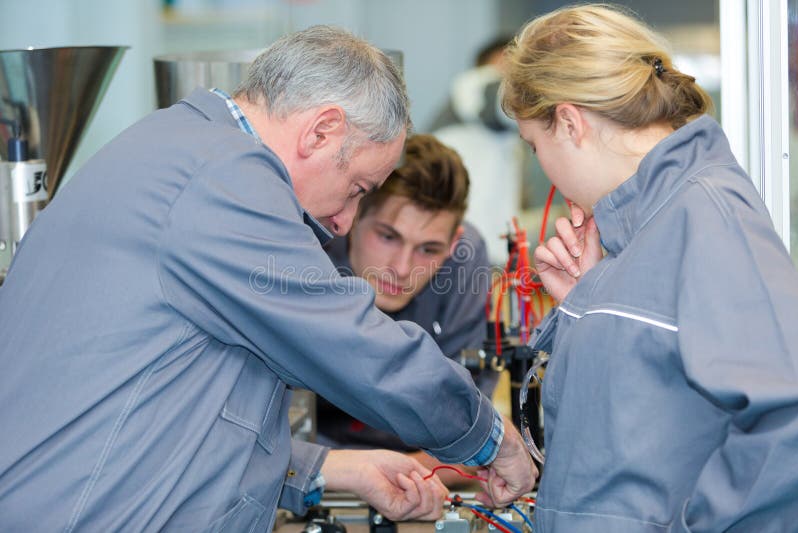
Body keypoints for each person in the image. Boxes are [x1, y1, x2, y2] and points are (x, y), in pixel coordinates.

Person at [0, 26, 536, 531]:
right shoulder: (226, 179)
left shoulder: (178, 144)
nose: (344, 222)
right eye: (356, 188)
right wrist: (489, 438)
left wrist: (324, 468)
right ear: (321, 131)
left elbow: (180, 410)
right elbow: (354, 346)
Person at [501, 4, 798, 532]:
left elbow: (788, 420)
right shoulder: (647, 231)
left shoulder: (708, 214)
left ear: (568, 122)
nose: (542, 167)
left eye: (534, 145)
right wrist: (591, 301)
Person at [316, 133, 497, 487]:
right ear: (352, 216)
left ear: (453, 243)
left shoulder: (465, 262)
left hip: (420, 469)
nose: (401, 268)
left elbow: (470, 435)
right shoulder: (311, 246)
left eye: (428, 249)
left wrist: (397, 474)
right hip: (321, 463)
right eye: (388, 237)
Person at [431, 36, 527, 265]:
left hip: (487, 245)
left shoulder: (503, 136)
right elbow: (503, 103)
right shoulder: (475, 82)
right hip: (459, 242)